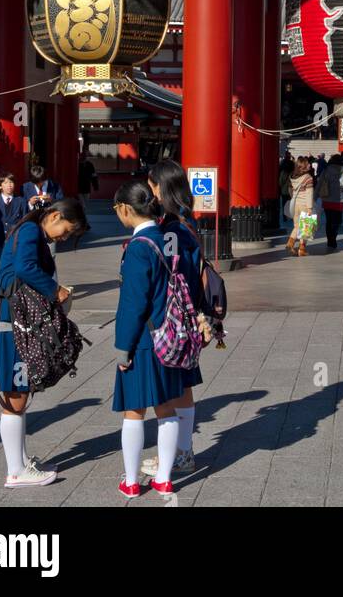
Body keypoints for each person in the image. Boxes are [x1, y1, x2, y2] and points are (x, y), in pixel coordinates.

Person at [0, 196, 88, 488]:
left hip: (13, 320)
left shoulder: (31, 231)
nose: (64, 236)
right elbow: (25, 269)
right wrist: (56, 290)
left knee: (19, 394)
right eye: (66, 229)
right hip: (10, 321)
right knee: (16, 396)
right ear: (53, 216)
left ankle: (21, 463)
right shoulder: (29, 231)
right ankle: (16, 471)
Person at [113, 178, 203, 498]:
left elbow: (133, 303)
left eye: (117, 210)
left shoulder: (138, 247)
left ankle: (132, 481)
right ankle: (164, 478)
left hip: (143, 340)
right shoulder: (167, 237)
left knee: (134, 411)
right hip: (170, 336)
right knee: (166, 409)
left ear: (126, 209)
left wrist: (123, 346)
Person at [141, 159, 201, 477]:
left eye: (151, 185)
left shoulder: (172, 229)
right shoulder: (184, 222)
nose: (148, 190)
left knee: (172, 386)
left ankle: (180, 454)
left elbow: (171, 270)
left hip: (171, 320)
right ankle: (184, 451)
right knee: (183, 385)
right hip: (187, 317)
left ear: (161, 187)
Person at [0, 174, 26, 286]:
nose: (9, 185)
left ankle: (11, 291)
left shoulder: (20, 201)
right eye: (6, 183)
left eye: (11, 182)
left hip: (15, 240)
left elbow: (25, 221)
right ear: (0, 186)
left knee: (13, 267)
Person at [286, 155, 315, 257]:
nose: (309, 165)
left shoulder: (292, 177)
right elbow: (309, 194)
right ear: (304, 166)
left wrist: (293, 197)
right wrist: (310, 208)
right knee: (306, 227)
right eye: (308, 164)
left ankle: (290, 243)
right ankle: (302, 249)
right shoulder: (308, 178)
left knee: (297, 226)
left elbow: (290, 190)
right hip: (305, 205)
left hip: (295, 204)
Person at [317, 153, 343, 251]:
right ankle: (333, 237)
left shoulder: (326, 170)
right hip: (339, 200)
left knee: (329, 221)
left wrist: (315, 196)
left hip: (327, 199)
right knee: (337, 221)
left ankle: (330, 240)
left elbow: (319, 184)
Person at [278, 154, 295, 223]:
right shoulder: (293, 173)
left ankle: (284, 216)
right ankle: (291, 216)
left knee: (284, 204)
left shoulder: (283, 173)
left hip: (284, 191)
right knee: (291, 204)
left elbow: (280, 182)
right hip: (292, 191)